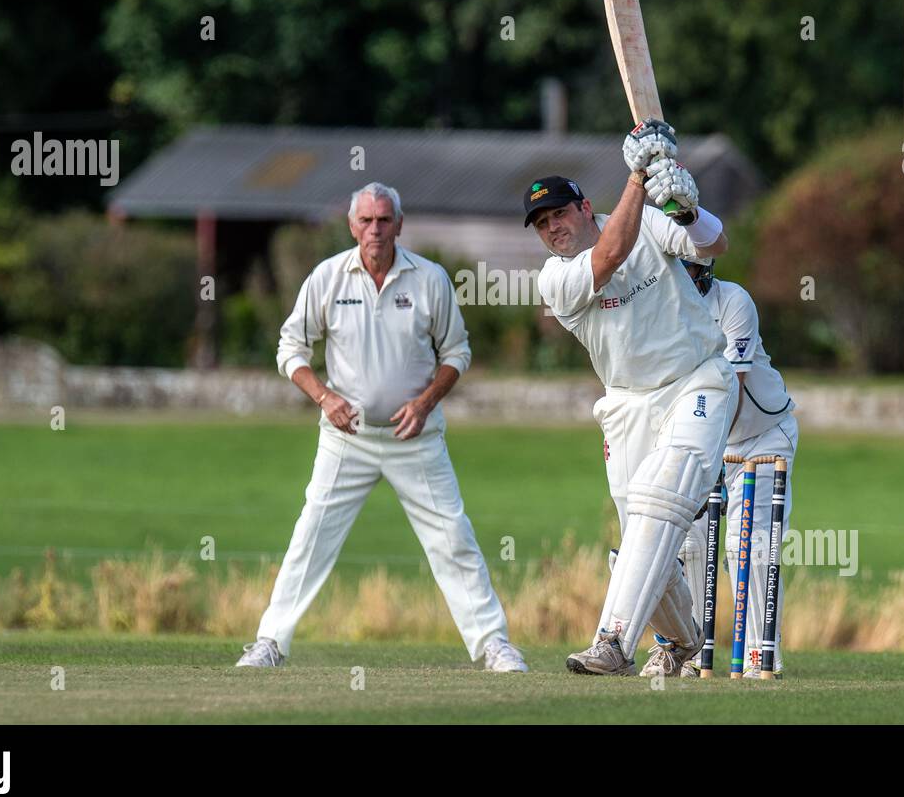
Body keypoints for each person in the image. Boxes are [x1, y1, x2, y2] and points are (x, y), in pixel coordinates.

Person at [236, 182, 527, 672]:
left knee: (453, 538)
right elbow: (291, 350)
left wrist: (425, 402)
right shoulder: (327, 278)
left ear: (399, 224)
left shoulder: (430, 279)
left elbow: (457, 352)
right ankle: (270, 642)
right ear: (352, 226)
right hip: (347, 439)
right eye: (366, 221)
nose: (375, 230)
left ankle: (493, 645)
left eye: (384, 220)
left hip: (415, 438)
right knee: (311, 537)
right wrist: (325, 397)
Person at [526, 118, 737, 676]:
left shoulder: (647, 219)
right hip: (626, 407)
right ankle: (682, 641)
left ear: (584, 207)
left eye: (559, 215)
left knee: (660, 500)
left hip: (698, 380)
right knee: (642, 534)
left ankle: (614, 642)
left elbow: (714, 243)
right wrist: (641, 175)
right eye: (542, 224)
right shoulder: (556, 277)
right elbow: (610, 255)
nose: (553, 229)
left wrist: (688, 211)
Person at [678, 259, 798, 678]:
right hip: (708, 440)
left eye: (685, 267)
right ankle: (691, 651)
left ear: (702, 270)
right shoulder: (663, 308)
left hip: (764, 434)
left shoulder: (733, 301)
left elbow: (733, 389)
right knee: (689, 541)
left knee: (748, 544)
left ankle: (759, 655)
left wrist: (711, 461)